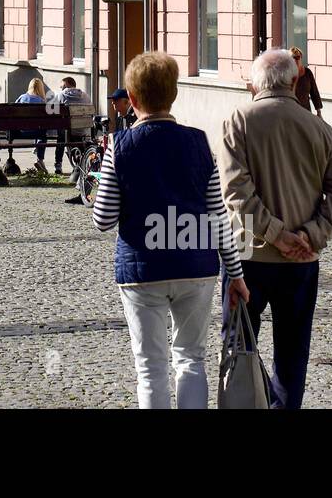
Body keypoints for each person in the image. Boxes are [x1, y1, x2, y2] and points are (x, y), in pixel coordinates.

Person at [92, 52, 248, 409]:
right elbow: (217, 216)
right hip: (196, 266)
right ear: (173, 94)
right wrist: (235, 275)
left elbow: (103, 219)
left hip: (141, 268)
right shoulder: (198, 142)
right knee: (192, 359)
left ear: (131, 100)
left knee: (150, 366)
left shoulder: (119, 147)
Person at [220, 49, 332, 409]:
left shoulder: (239, 120)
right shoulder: (318, 127)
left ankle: (252, 402)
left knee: (239, 346)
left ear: (254, 83)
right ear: (295, 80)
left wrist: (274, 233)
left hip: (247, 258)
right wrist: (311, 235)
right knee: (293, 357)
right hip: (300, 261)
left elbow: (235, 191)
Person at [52, 76, 91, 174]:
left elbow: (53, 111)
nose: (61, 89)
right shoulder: (86, 96)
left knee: (61, 137)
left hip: (67, 132)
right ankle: (82, 163)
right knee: (72, 134)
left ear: (66, 85)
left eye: (61, 86)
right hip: (83, 130)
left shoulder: (61, 95)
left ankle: (58, 164)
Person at [14, 78, 50, 172]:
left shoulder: (21, 97)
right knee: (42, 131)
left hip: (20, 132)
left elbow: (13, 111)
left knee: (38, 127)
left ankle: (36, 146)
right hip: (37, 132)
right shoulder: (41, 101)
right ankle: (40, 159)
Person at [290, 47, 323, 117]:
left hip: (306, 111)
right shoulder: (287, 74)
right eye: (292, 57)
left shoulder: (307, 73)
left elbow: (314, 92)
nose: (295, 60)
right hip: (291, 111)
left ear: (301, 58)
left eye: (297, 57)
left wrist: (319, 112)